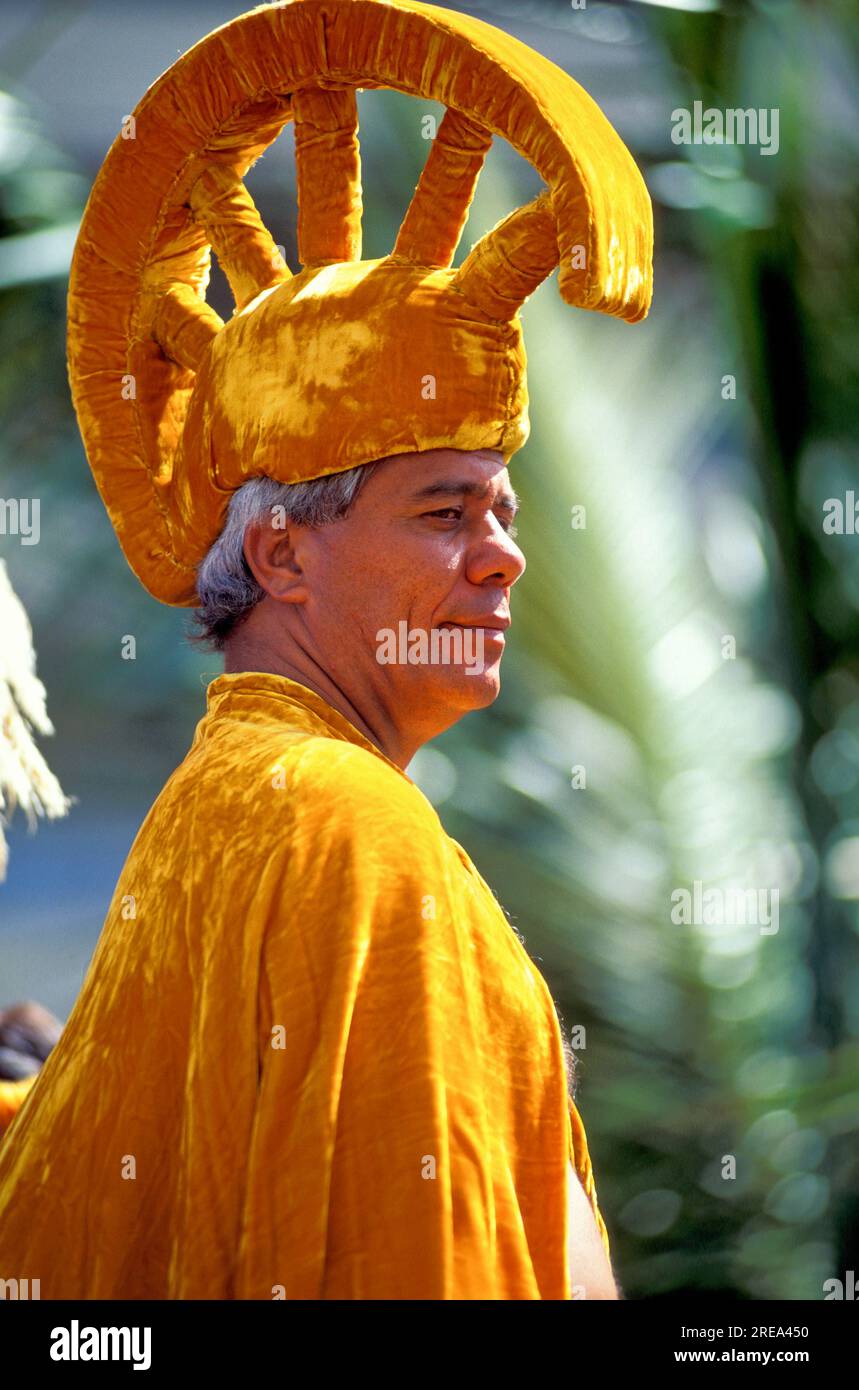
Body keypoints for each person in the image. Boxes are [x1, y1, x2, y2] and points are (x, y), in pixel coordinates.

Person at [0, 0, 652, 1298]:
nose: (505, 557)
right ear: (282, 555)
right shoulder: (349, 831)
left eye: (506, 512)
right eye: (445, 512)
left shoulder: (225, 801)